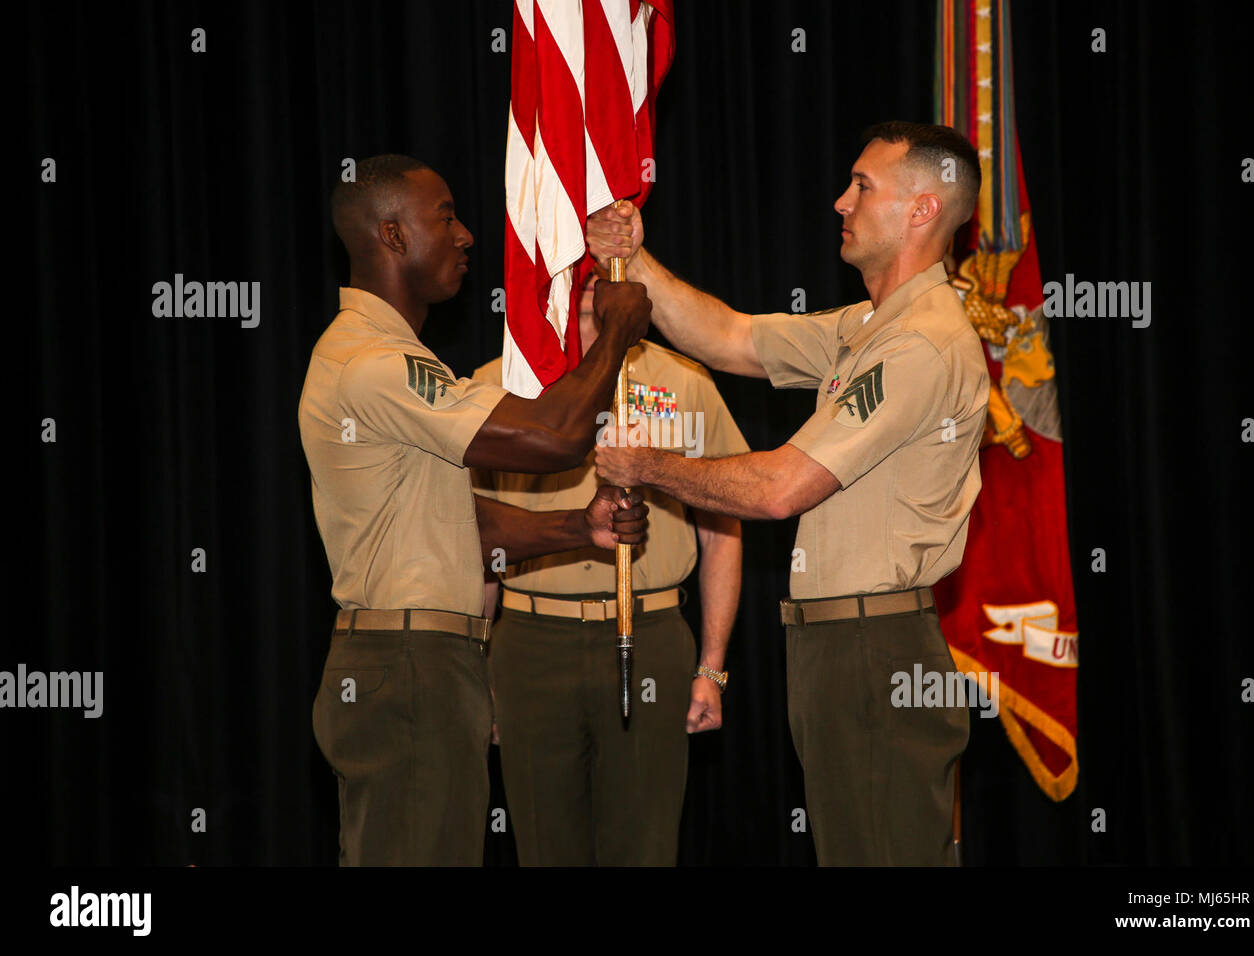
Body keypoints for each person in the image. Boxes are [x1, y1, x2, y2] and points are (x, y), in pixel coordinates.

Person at [587, 122, 991, 865]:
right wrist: (632, 255)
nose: (840, 202)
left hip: (875, 647)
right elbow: (731, 336)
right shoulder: (869, 326)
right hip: (844, 642)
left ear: (922, 210)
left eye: (863, 187)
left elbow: (779, 489)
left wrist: (645, 465)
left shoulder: (919, 343)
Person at [298, 154, 652, 865]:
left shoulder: (386, 356)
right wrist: (614, 333)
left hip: (415, 659)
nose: (465, 236)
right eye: (446, 216)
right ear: (392, 236)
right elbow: (553, 438)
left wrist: (572, 530)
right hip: (409, 664)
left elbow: (458, 520)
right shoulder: (376, 363)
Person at [471, 272, 749, 866]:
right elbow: (479, 536)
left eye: (598, 255)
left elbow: (723, 529)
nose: (587, 271)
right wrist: (479, 667)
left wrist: (713, 668)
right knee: (544, 847)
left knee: (645, 847)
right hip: (528, 645)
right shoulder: (497, 383)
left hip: (650, 636)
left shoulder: (684, 381)